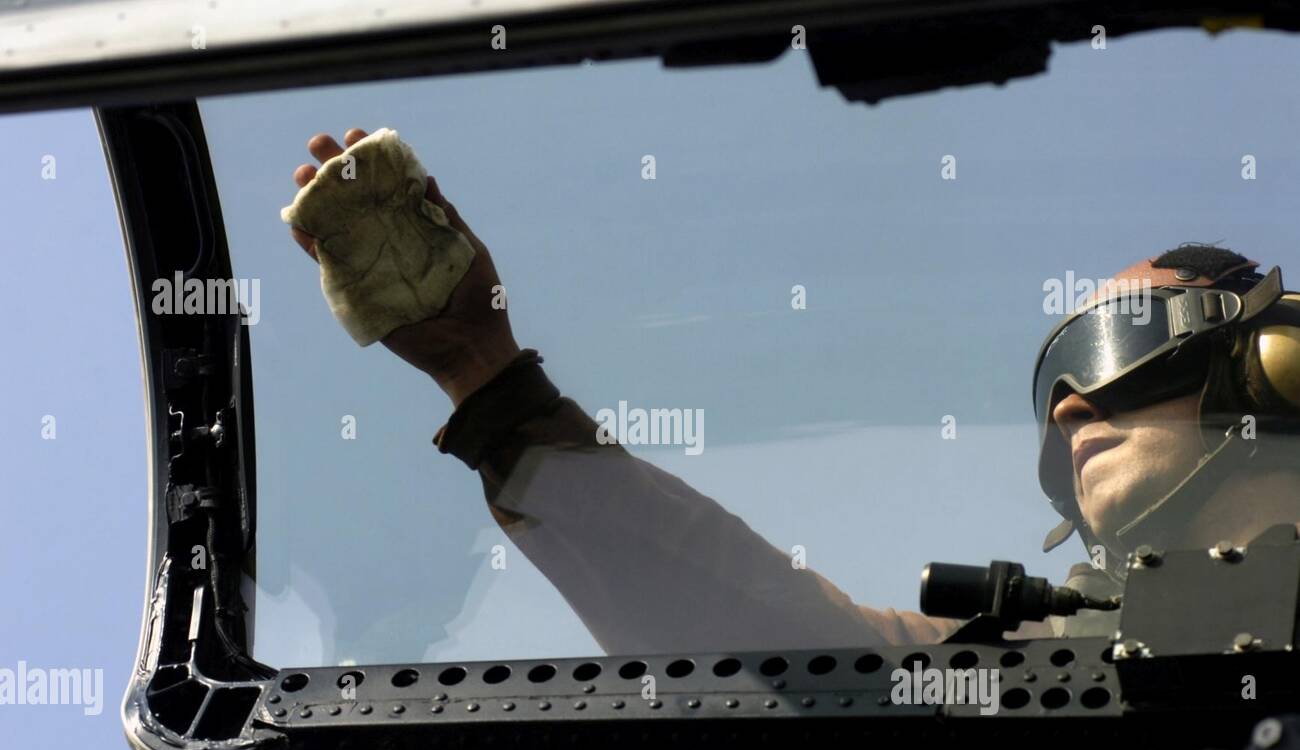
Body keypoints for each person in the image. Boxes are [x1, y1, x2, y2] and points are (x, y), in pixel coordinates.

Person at [288, 129, 1300, 653]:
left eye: (1115, 343)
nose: (1071, 404)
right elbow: (767, 636)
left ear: (1268, 356)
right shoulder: (1037, 661)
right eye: (1052, 381)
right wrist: (482, 370)